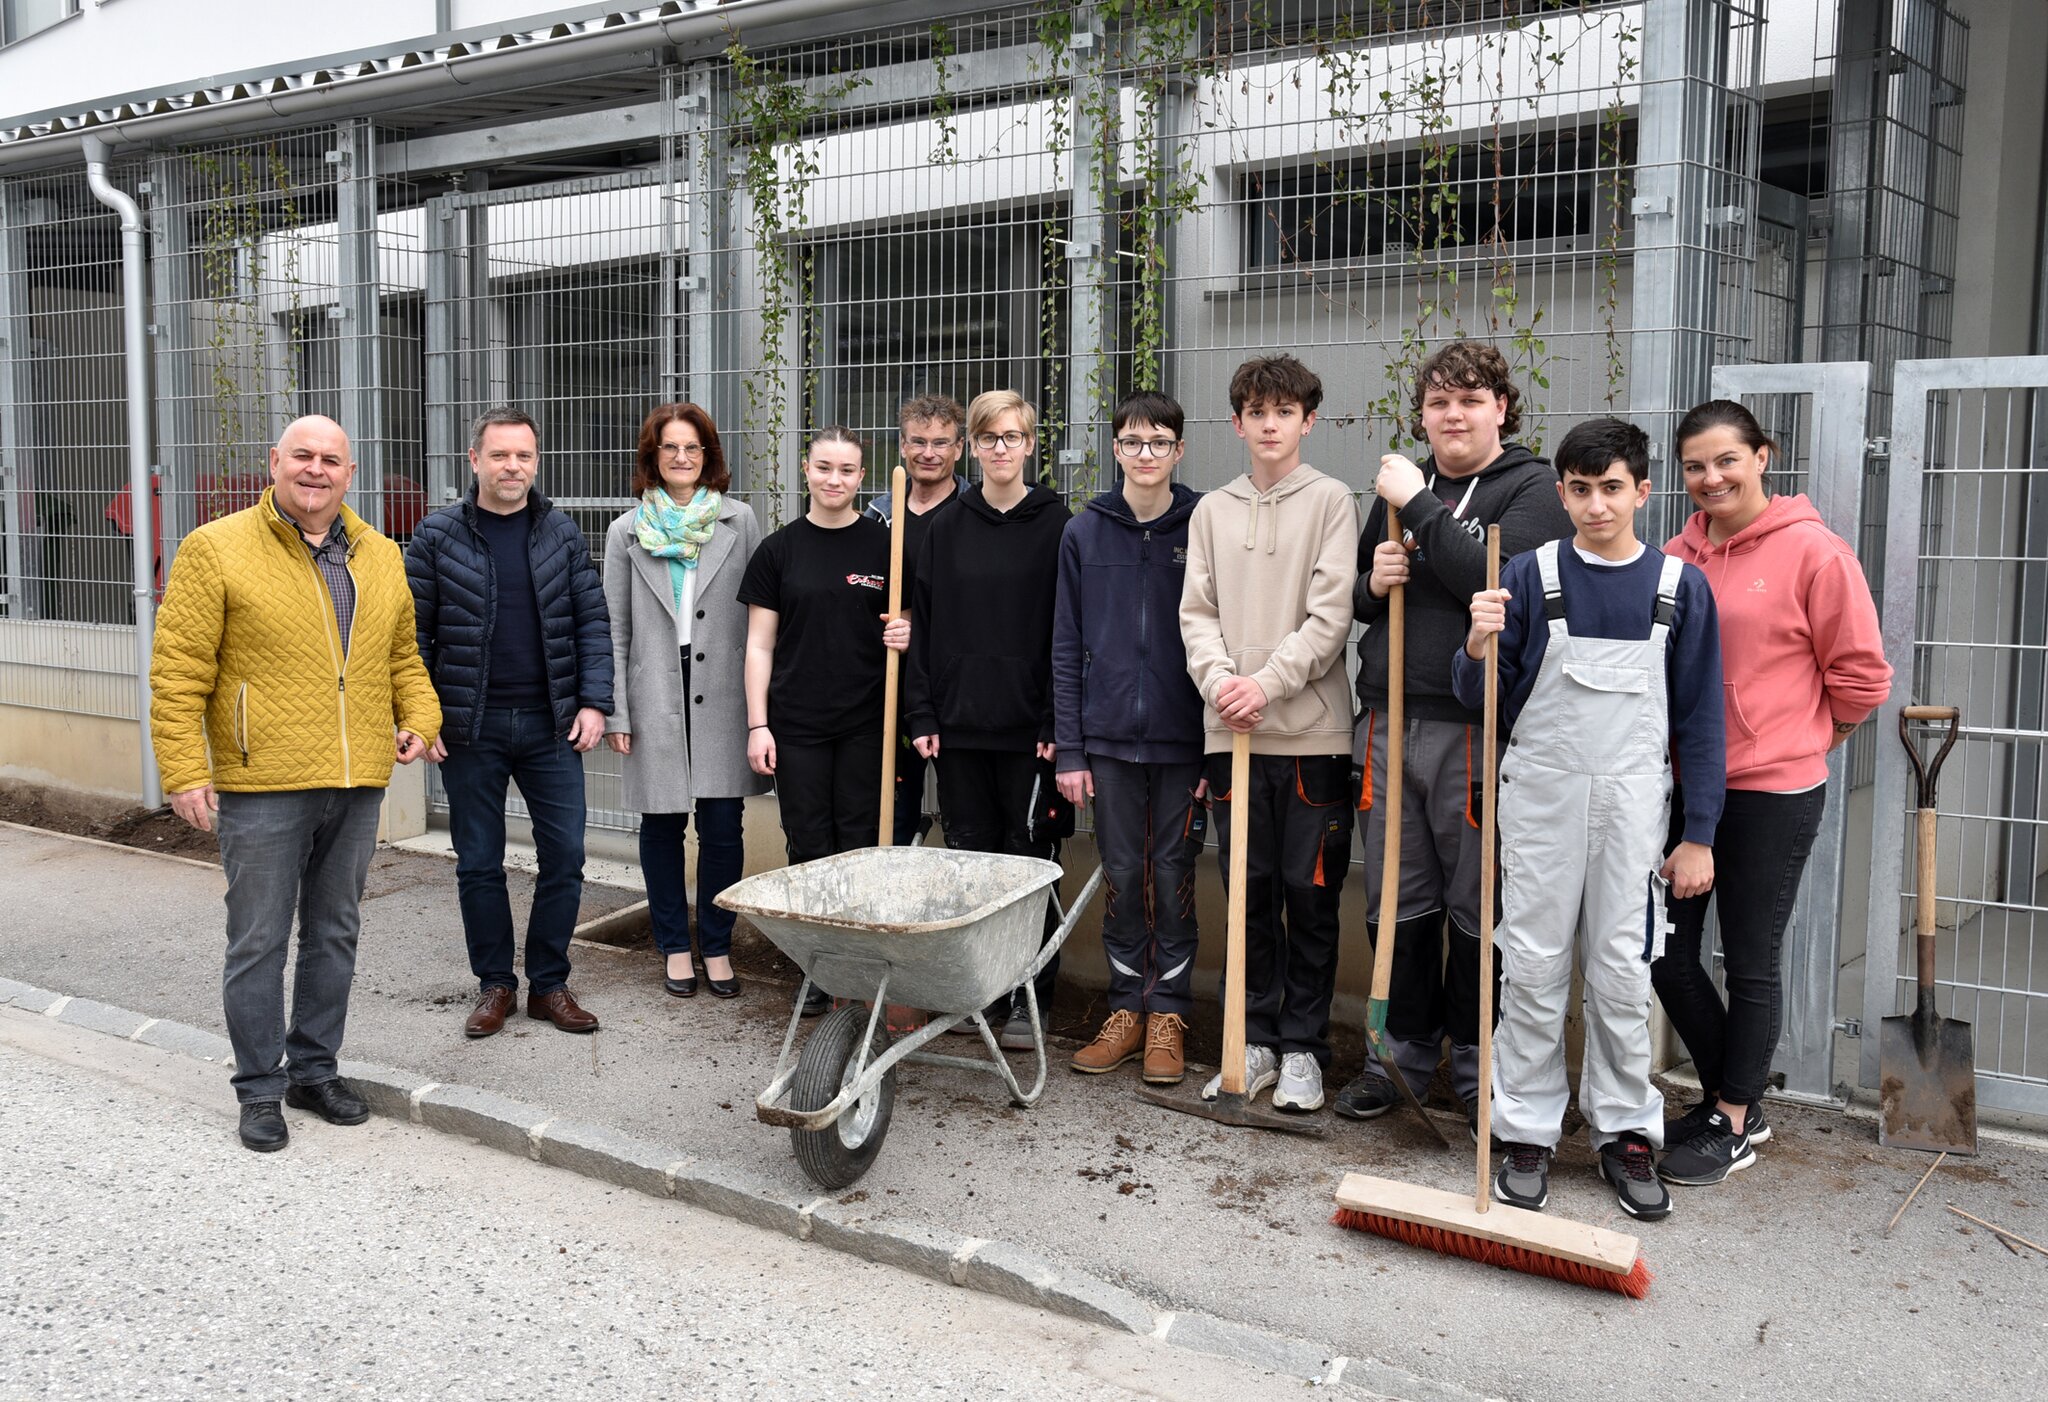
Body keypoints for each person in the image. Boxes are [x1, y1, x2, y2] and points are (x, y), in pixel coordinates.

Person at [150, 415, 440, 1152]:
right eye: (302, 456)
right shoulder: (215, 548)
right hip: (263, 783)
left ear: (350, 473)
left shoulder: (380, 553)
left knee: (334, 933)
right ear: (274, 462)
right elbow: (179, 673)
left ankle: (315, 1070)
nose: (316, 470)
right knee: (259, 940)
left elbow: (402, 656)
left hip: (356, 780)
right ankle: (259, 1089)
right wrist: (185, 770)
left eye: (331, 460)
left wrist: (420, 716)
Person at [1458, 417, 1724, 1221]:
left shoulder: (1679, 589)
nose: (1596, 505)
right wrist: (1477, 645)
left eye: (1612, 488)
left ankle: (1624, 1131)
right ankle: (1525, 1128)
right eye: (1580, 489)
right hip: (1541, 801)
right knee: (1532, 967)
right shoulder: (1528, 576)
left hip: (1634, 809)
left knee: (1621, 971)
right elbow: (1479, 702)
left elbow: (1701, 722)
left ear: (1644, 491)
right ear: (1563, 493)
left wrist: (1700, 833)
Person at [1653, 399, 1891, 1186]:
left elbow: (1861, 677)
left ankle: (1731, 1119)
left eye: (1727, 459)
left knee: (1749, 959)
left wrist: (1809, 740)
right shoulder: (1676, 555)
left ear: (1763, 456)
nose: (1711, 477)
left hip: (1772, 792)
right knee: (1666, 954)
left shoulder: (1815, 553)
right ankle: (1738, 1099)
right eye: (1695, 466)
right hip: (1687, 786)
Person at [1338, 339, 1572, 1128]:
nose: (1453, 415)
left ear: (1501, 407)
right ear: (1423, 413)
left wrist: (1422, 508)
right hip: (1386, 717)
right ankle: (1394, 1061)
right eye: (1439, 402)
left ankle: (1478, 1070)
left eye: (1471, 400)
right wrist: (1375, 583)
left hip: (1475, 728)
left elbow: (1500, 586)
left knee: (1478, 909)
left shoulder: (1531, 488)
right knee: (1396, 904)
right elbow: (1363, 600)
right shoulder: (1404, 488)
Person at [1180, 355, 1358, 1112]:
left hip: (1311, 737)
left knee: (1308, 899)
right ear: (1237, 423)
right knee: (1246, 896)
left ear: (1307, 421)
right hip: (1233, 735)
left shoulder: (1332, 502)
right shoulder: (1211, 512)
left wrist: (1267, 683)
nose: (1270, 424)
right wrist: (1223, 684)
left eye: (1284, 412)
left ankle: (1303, 1050)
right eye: (1257, 412)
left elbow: (1331, 616)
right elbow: (1197, 614)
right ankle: (1250, 1040)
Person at [406, 406, 614, 1039]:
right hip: (470, 728)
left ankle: (549, 984)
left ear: (536, 461)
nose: (512, 467)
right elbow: (411, 636)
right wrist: (422, 715)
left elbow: (592, 621)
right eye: (499, 455)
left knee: (566, 857)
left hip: (552, 727)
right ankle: (495, 983)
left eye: (523, 455)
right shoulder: (437, 535)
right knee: (479, 862)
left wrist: (594, 701)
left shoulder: (561, 532)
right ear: (475, 460)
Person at [905, 390, 1072, 1050]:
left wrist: (1057, 721)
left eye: (1013, 436)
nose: (1001, 448)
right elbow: (924, 629)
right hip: (960, 728)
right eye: (988, 437)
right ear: (971, 447)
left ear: (1030, 444)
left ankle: (1030, 999)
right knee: (970, 872)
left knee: (1029, 871)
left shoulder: (1059, 526)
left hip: (1031, 734)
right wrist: (923, 711)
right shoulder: (947, 527)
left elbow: (1068, 633)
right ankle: (980, 997)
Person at [1053, 391, 1206, 1086]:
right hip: (1108, 741)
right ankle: (1125, 1009)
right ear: (1115, 449)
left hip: (1182, 741)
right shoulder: (1085, 533)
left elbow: (1222, 637)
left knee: (1172, 875)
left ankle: (1167, 1014)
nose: (1147, 454)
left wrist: (1210, 748)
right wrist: (1072, 749)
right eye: (1134, 442)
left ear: (1179, 450)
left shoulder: (1203, 525)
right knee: (1119, 872)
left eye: (1160, 442)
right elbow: (1065, 645)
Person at [741, 427, 909, 1015]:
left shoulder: (887, 547)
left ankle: (859, 966)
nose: (834, 479)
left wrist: (906, 630)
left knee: (860, 844)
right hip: (797, 724)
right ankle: (818, 966)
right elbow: (759, 646)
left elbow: (909, 623)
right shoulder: (779, 550)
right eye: (823, 467)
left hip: (868, 724)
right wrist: (758, 725)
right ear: (806, 471)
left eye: (846, 470)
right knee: (809, 844)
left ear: (862, 477)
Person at [603, 403, 768, 1000]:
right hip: (654, 688)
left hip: (724, 686)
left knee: (723, 824)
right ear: (653, 457)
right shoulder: (626, 530)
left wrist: (761, 711)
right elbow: (614, 628)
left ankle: (717, 946)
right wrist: (617, 710)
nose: (681, 457)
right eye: (669, 447)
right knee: (662, 824)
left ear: (708, 455)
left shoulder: (739, 520)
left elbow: (761, 615)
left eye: (692, 447)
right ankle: (674, 945)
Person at [864, 394, 969, 847]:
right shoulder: (878, 516)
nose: (929, 453)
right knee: (891, 809)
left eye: (941, 442)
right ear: (902, 446)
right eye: (918, 442)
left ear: (959, 448)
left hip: (955, 687)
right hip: (888, 684)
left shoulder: (974, 513)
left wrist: (920, 631)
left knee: (965, 813)